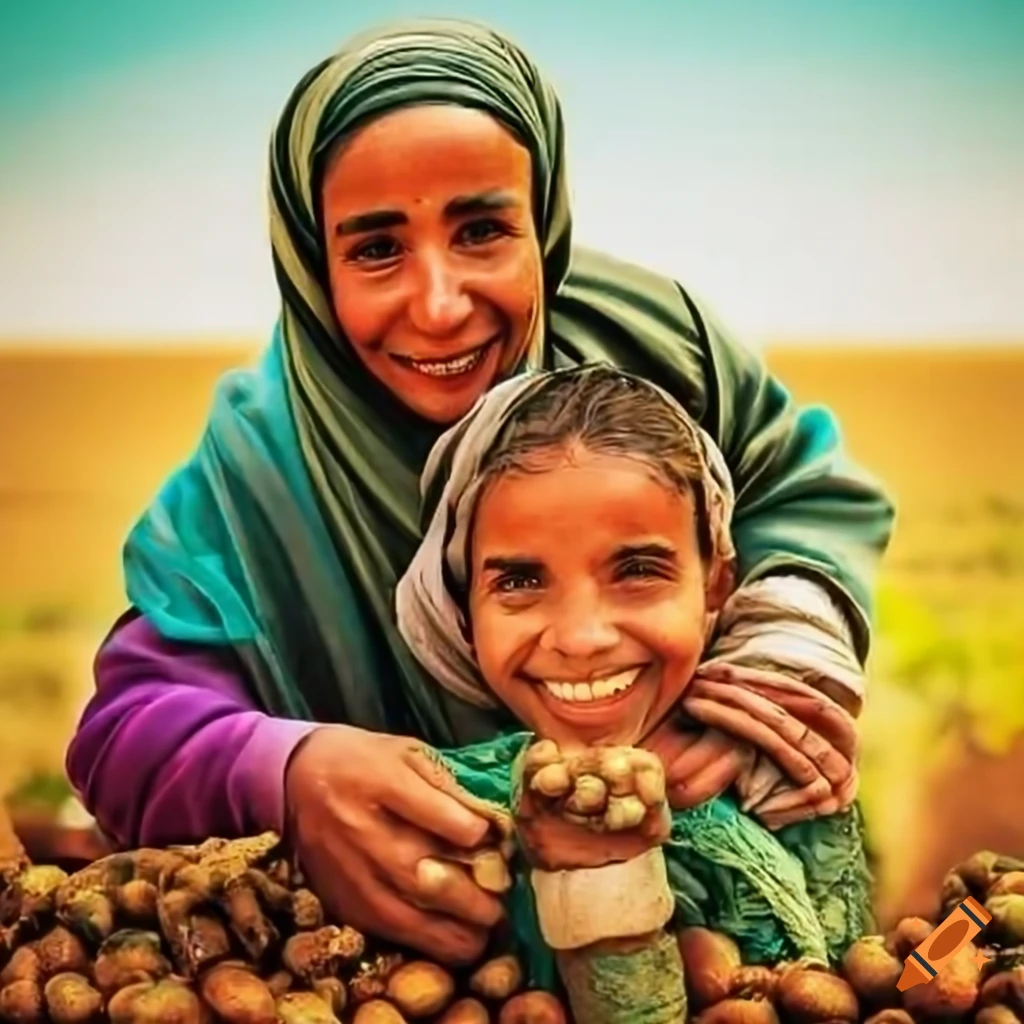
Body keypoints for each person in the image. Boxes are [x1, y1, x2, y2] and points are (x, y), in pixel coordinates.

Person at [66, 18, 892, 965]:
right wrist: (287, 772)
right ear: (309, 261)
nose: (441, 303)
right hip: (408, 964)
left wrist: (772, 660)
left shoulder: (661, 349)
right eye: (376, 249)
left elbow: (805, 490)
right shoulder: (257, 472)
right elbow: (128, 729)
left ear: (545, 222)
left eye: (483, 230)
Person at [394, 362, 870, 1003]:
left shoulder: (776, 774)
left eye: (639, 570)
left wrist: (977, 925)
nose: (582, 636)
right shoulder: (451, 821)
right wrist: (596, 880)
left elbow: (873, 977)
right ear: (460, 612)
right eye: (520, 582)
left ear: (715, 585)